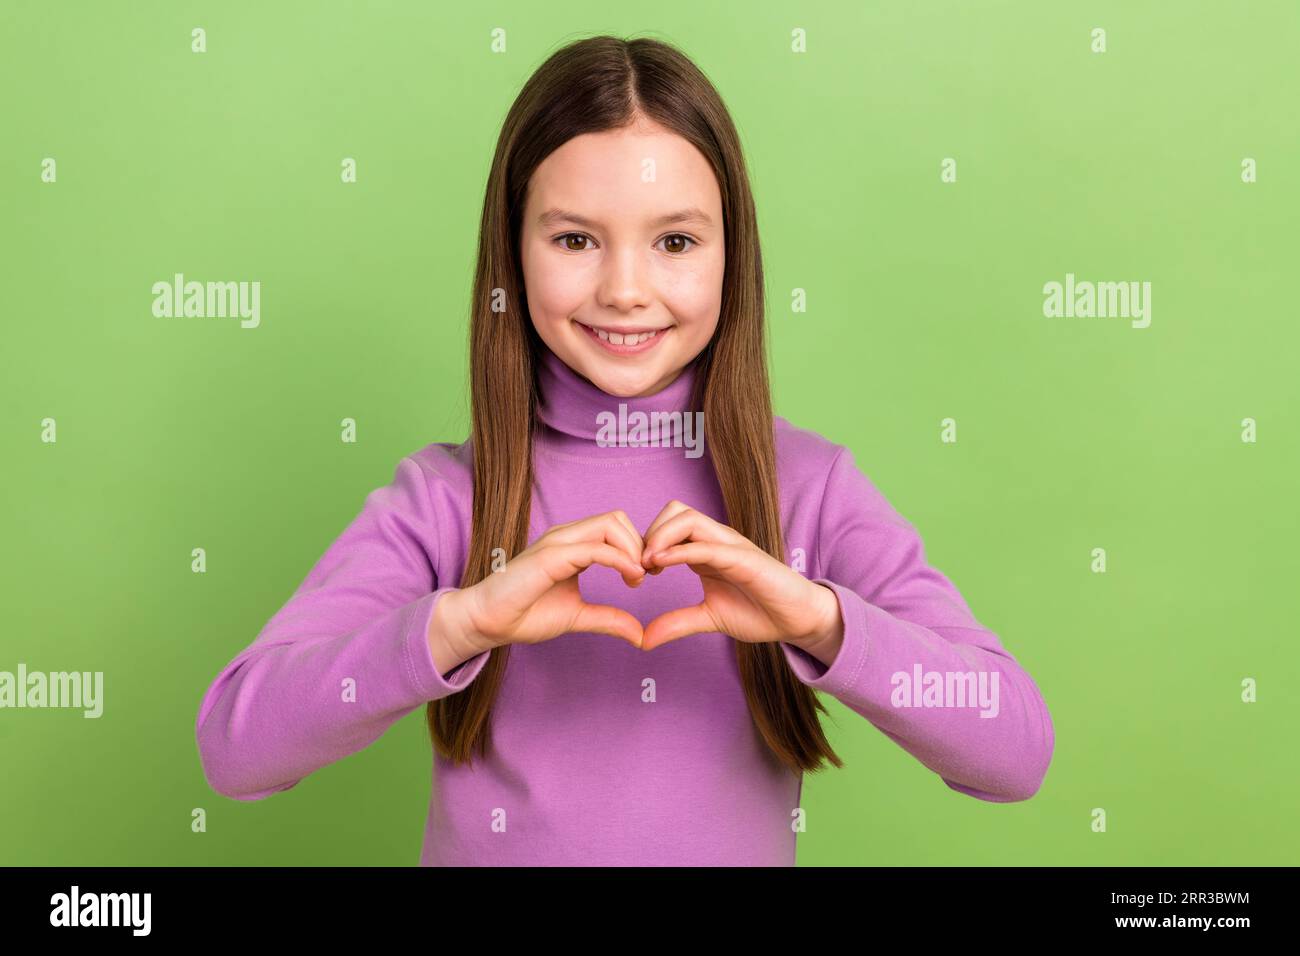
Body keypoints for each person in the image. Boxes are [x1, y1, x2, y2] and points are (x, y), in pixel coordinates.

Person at [195, 34, 1055, 866]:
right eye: (575, 239)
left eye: (675, 242)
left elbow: (1013, 752)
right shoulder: (443, 498)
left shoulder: (811, 488)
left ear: (731, 257)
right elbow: (238, 751)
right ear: (513, 253)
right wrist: (462, 624)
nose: (626, 290)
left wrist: (819, 622)